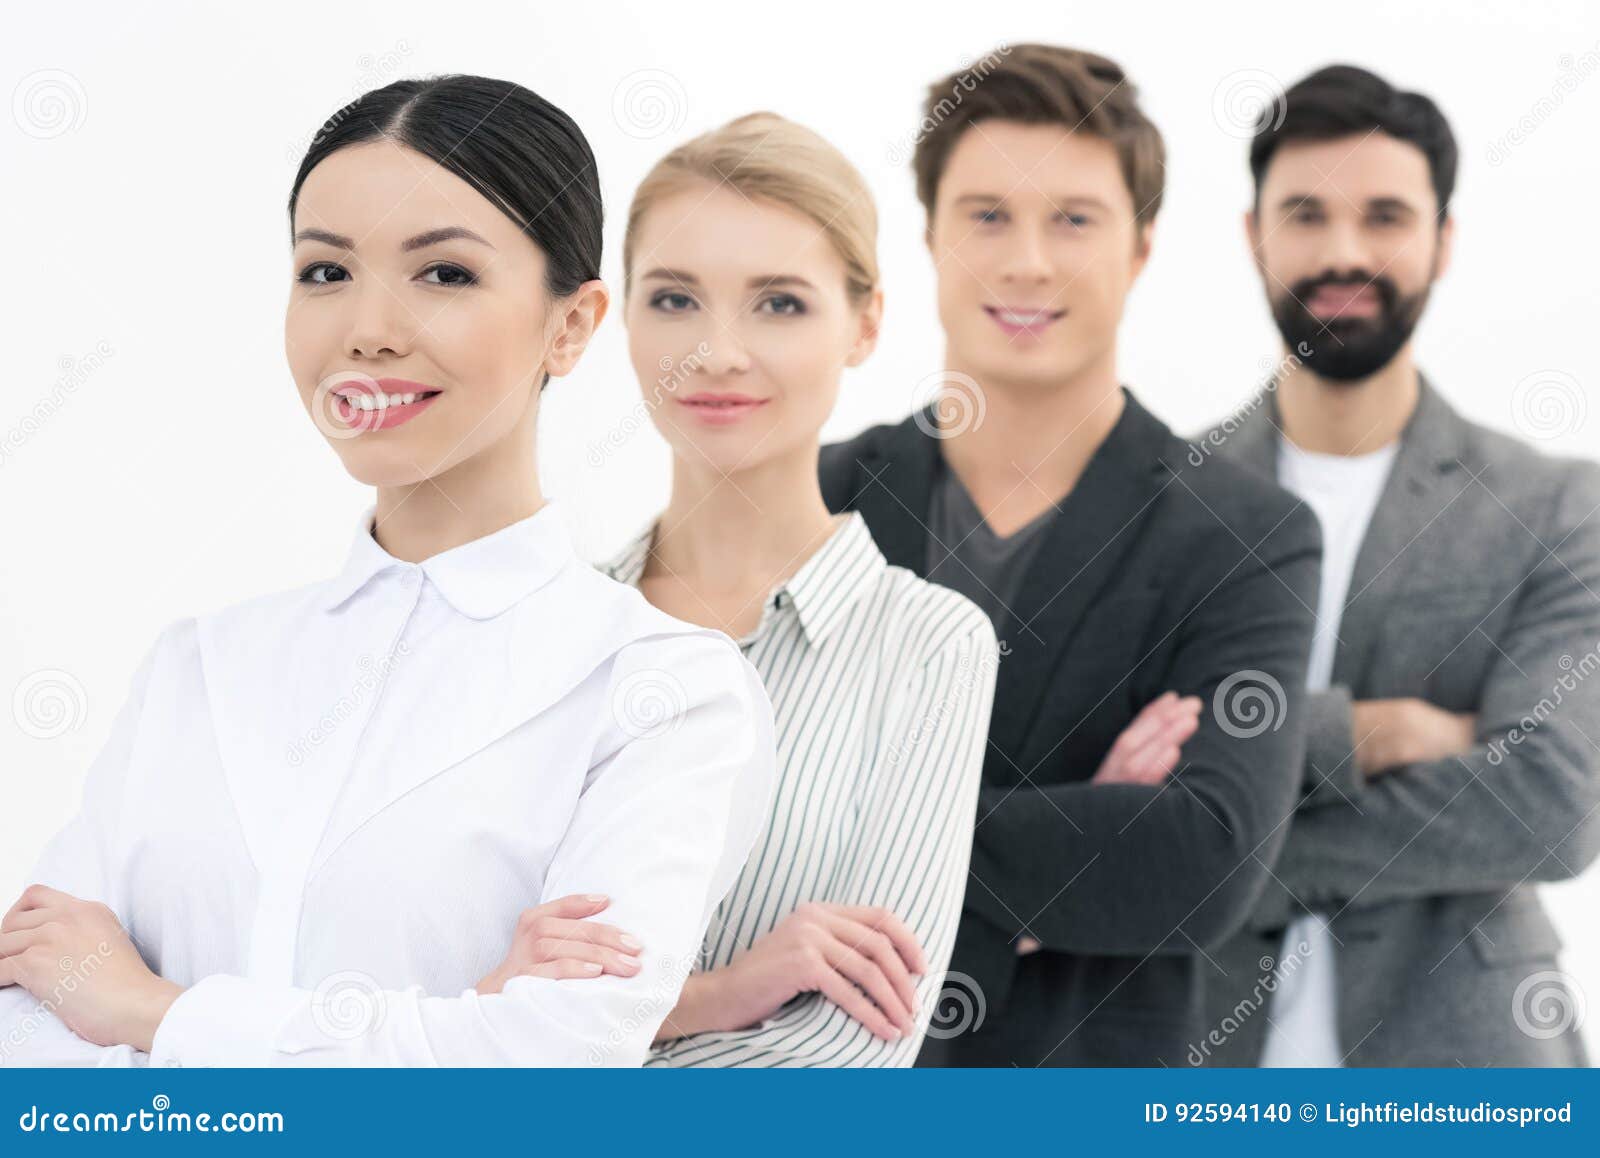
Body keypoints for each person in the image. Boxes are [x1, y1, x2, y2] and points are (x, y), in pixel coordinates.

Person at [0, 74, 775, 1068]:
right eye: (325, 272)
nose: (366, 328)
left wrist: (151, 1012)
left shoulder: (661, 694)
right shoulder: (197, 667)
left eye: (443, 275)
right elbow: (27, 1027)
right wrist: (447, 1023)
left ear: (573, 325)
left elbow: (542, 1072)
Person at [818, 43, 1322, 1067]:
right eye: (987, 216)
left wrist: (855, 835)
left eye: (1073, 220)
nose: (1027, 262)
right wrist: (1073, 844)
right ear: (929, 237)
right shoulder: (816, 498)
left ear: (1139, 248)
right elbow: (713, 828)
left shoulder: (1244, 535)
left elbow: (1203, 863)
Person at [476, 113, 998, 1066]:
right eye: (675, 299)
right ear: (616, 317)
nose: (717, 352)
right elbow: (449, 999)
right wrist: (724, 994)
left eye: (780, 303)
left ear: (865, 324)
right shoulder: (540, 629)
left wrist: (565, 1031)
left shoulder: (929, 646)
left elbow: (846, 1060)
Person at [1199, 64, 1600, 1067]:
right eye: (1305, 214)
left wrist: (1212, 853)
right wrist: (1375, 732)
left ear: (1440, 240)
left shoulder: (1557, 507)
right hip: (1190, 1054)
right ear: (1254, 235)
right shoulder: (1167, 500)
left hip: (1468, 1063)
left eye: (1384, 215)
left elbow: (1551, 805)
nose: (1344, 251)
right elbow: (1109, 781)